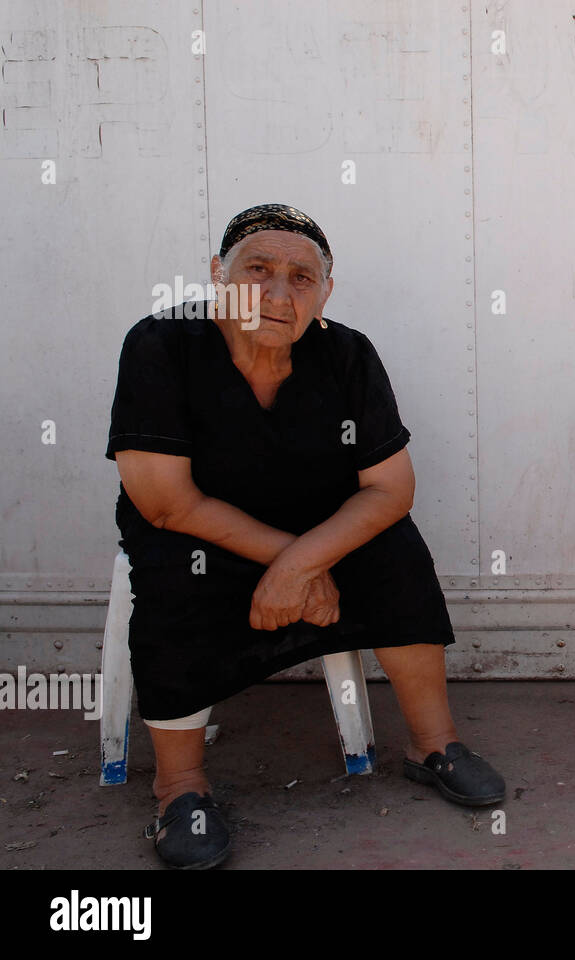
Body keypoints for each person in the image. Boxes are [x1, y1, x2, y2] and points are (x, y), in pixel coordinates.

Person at [105, 203, 504, 869]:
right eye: (257, 270)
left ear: (324, 294)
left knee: (395, 548)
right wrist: (294, 566)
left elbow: (390, 488)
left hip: (314, 530)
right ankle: (179, 787)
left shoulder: (346, 353)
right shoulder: (161, 344)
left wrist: (302, 562)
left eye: (301, 277)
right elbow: (165, 501)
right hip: (200, 531)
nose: (278, 292)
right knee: (175, 569)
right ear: (217, 274)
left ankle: (433, 745)